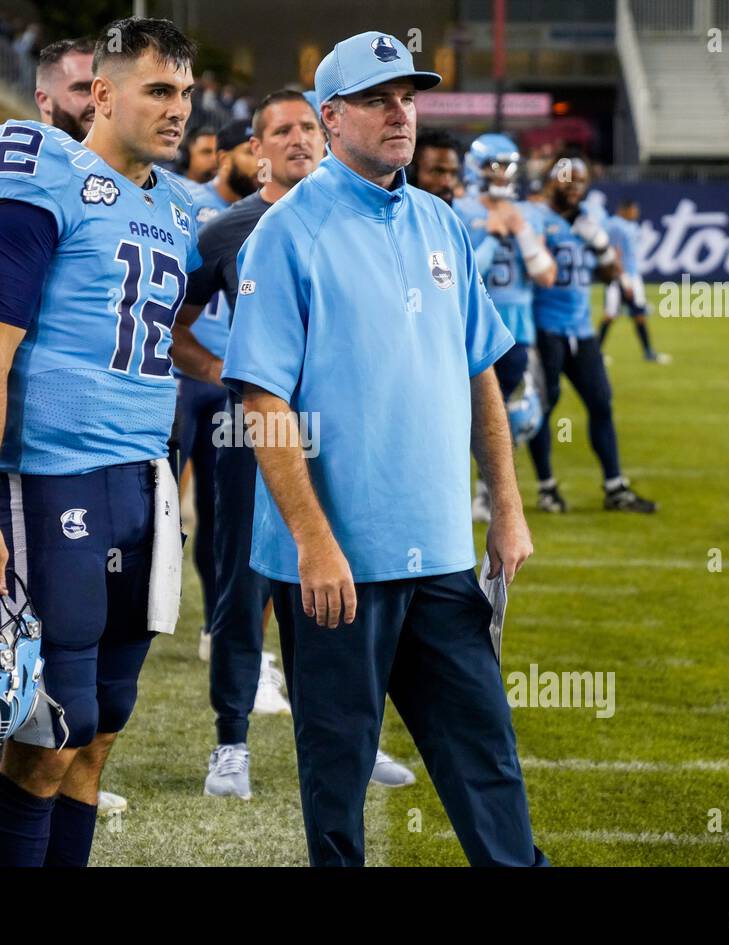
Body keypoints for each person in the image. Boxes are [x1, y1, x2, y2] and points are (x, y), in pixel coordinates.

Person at [222, 30, 545, 867]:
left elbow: (482, 370)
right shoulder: (286, 233)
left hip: (439, 550)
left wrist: (505, 511)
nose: (400, 112)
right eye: (377, 98)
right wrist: (313, 540)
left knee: (486, 761)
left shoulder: (443, 221)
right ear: (331, 117)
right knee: (337, 778)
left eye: (407, 96)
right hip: (335, 561)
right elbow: (263, 402)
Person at [0, 16, 202, 867]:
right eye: (159, 90)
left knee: (101, 731)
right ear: (101, 93)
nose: (179, 110)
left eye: (187, 94)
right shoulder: (43, 169)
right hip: (51, 477)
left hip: (141, 478)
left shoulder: (178, 204)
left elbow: (178, 328)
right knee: (48, 729)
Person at [173, 90, 414, 800]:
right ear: (256, 150)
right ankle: (231, 743)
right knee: (242, 591)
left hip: (346, 437)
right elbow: (177, 327)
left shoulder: (363, 220)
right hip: (255, 438)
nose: (300, 139)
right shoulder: (226, 232)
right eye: (282, 130)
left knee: (351, 587)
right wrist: (226, 374)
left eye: (310, 126)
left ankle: (353, 741)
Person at [527, 156, 657, 514]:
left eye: (579, 180)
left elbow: (611, 273)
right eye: (565, 178)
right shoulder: (535, 217)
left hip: (581, 329)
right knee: (543, 408)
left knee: (601, 403)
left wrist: (599, 248)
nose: (572, 185)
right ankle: (546, 487)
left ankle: (615, 487)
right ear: (551, 180)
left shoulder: (591, 220)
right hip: (544, 327)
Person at [176, 119, 255, 662]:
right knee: (161, 502)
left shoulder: (278, 214)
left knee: (218, 505)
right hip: (186, 374)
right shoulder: (187, 203)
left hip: (238, 379)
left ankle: (214, 622)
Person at [460, 134, 556, 522]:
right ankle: (481, 493)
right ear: (476, 168)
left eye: (507, 166)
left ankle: (526, 489)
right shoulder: (460, 211)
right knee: (476, 414)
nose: (501, 175)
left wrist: (520, 231)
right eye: (493, 166)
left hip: (520, 329)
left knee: (524, 415)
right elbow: (462, 278)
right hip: (478, 326)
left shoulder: (528, 214)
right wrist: (493, 236)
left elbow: (546, 275)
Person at [599, 198, 667, 363]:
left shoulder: (631, 226)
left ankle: (648, 352)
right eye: (633, 210)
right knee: (610, 314)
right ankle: (595, 353)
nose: (635, 213)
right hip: (618, 277)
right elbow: (613, 252)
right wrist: (623, 279)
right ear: (624, 209)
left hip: (632, 275)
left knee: (639, 314)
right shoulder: (614, 225)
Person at [34, 38, 95, 141]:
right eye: (82, 89)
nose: (98, 102)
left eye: (103, 90)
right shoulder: (15, 155)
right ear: (44, 100)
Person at [407, 128, 460, 203]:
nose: (448, 184)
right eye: (437, 172)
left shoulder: (464, 214)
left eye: (453, 173)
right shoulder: (395, 213)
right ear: (413, 172)